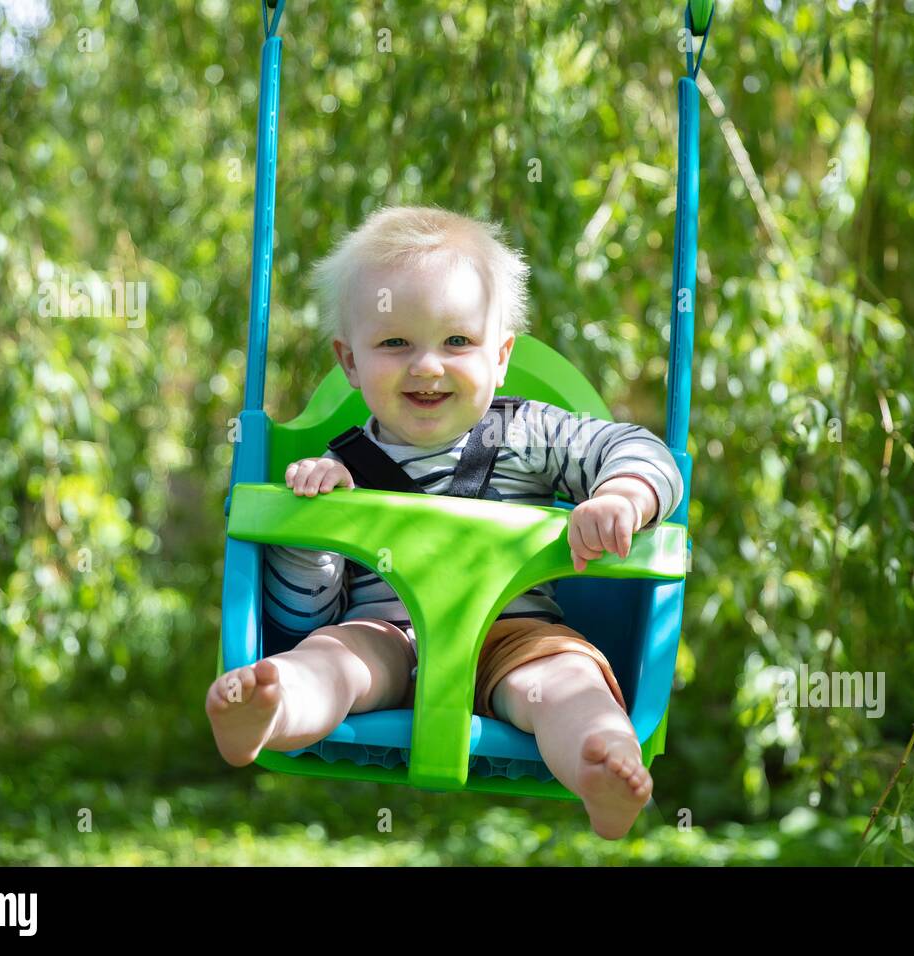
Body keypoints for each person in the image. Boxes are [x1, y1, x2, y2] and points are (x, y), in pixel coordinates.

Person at [207, 205, 683, 839]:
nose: (427, 366)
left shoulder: (530, 434)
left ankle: (601, 763)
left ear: (501, 355)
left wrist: (622, 497)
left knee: (565, 684)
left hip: (517, 635)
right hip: (386, 634)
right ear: (350, 363)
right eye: (395, 343)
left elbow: (643, 450)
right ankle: (272, 705)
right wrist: (311, 531)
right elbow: (302, 617)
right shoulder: (341, 465)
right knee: (330, 657)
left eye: (457, 341)